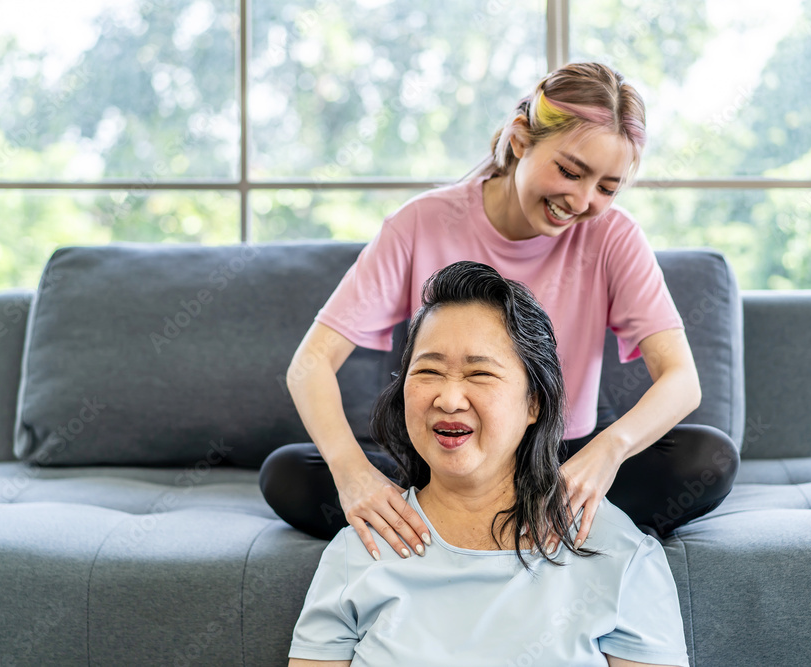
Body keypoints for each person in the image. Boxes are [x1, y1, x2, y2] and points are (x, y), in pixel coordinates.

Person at [262, 61, 739, 560]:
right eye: (570, 171)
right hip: (444, 460)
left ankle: (470, 529)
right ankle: (521, 524)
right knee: (290, 476)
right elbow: (309, 364)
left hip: (558, 457)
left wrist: (607, 453)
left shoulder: (612, 237)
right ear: (519, 140)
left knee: (706, 459)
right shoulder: (419, 224)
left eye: (606, 187)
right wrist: (354, 475)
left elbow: (682, 379)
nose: (580, 201)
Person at [287, 261, 689, 667]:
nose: (449, 399)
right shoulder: (358, 550)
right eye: (428, 370)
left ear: (534, 402)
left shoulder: (619, 552)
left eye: (479, 374)